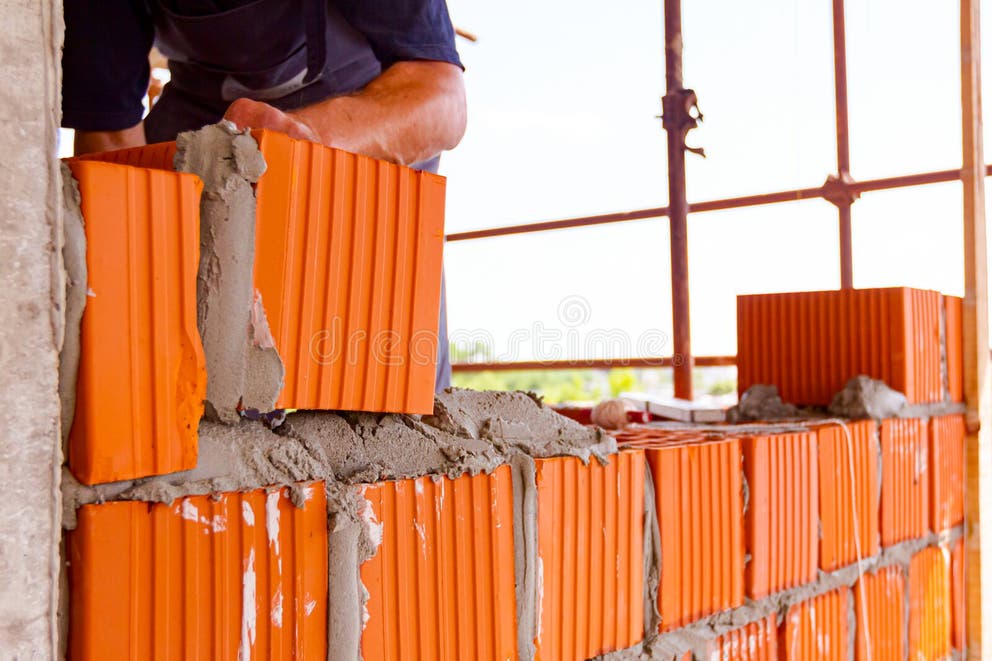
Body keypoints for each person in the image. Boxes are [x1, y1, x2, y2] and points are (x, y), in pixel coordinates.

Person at [61, 0, 465, 391]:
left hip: (364, 117)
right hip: (201, 111)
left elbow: (443, 99)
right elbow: (109, 131)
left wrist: (302, 140)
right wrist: (132, 279)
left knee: (394, 370)